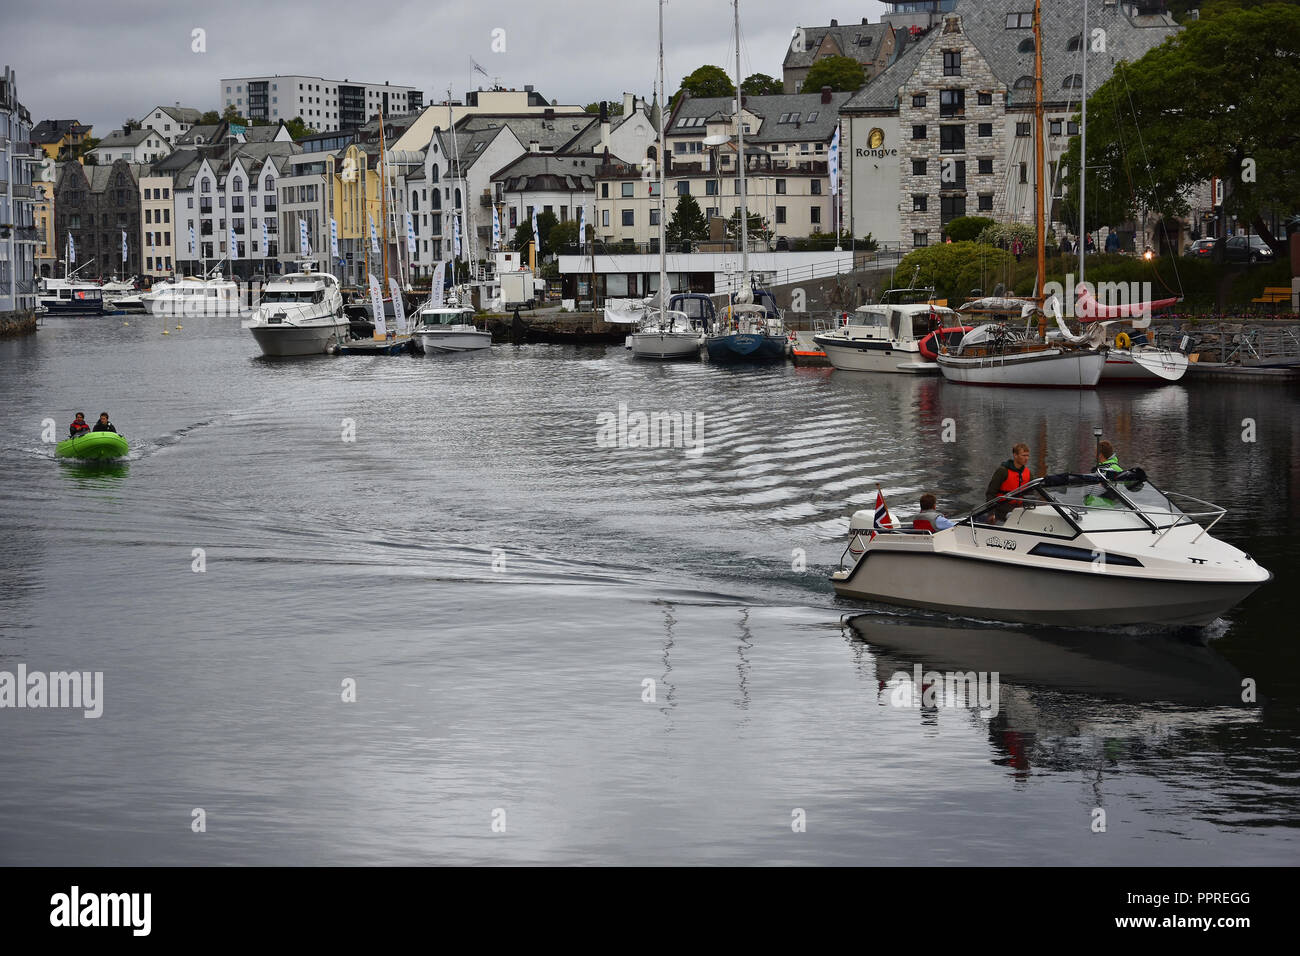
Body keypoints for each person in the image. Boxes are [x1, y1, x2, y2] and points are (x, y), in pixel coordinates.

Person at [984, 443, 1032, 523]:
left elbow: (1031, 492)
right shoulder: (1003, 471)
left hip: (1019, 507)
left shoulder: (1028, 473)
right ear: (1015, 455)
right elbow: (990, 493)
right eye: (1023, 455)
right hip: (1001, 508)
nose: (1026, 458)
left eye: (1027, 455)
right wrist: (991, 513)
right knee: (1014, 517)